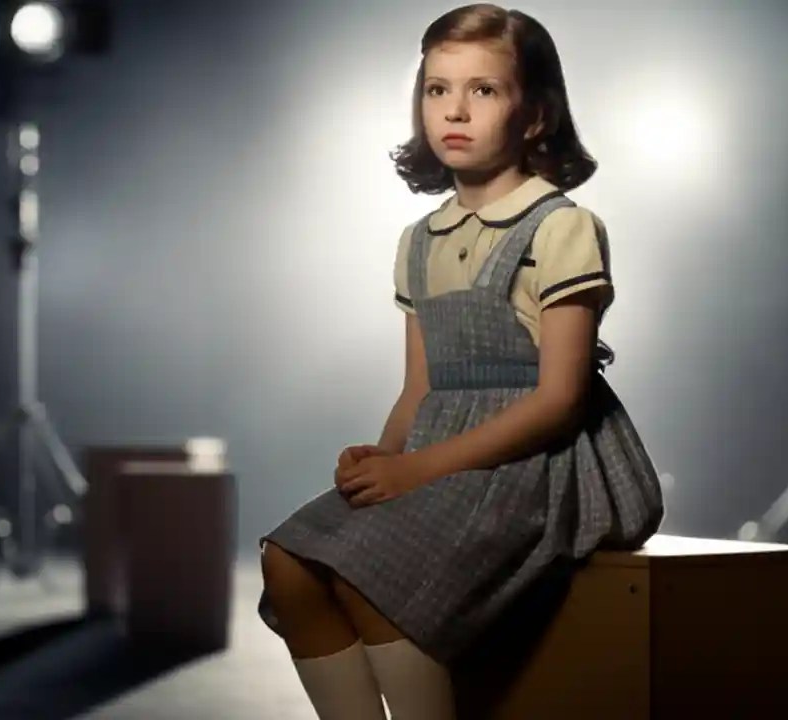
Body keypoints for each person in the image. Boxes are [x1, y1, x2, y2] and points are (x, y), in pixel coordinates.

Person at [257, 4, 665, 718]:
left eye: (484, 90)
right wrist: (382, 456)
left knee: (377, 573)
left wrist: (412, 470)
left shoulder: (560, 227)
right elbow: (421, 386)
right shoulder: (419, 241)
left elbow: (559, 402)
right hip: (440, 453)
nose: (455, 109)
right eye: (437, 89)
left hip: (538, 465)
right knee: (288, 564)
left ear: (535, 115)